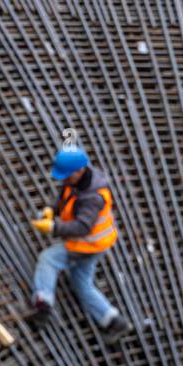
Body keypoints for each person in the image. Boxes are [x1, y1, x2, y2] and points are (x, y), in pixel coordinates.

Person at [28, 145, 131, 345]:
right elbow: (63, 196)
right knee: (82, 284)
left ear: (79, 171)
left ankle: (42, 304)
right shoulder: (77, 182)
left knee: (48, 259)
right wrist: (51, 209)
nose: (63, 180)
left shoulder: (93, 196)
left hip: (87, 245)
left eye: (66, 176)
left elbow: (83, 226)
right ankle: (113, 321)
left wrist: (53, 227)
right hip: (93, 245)